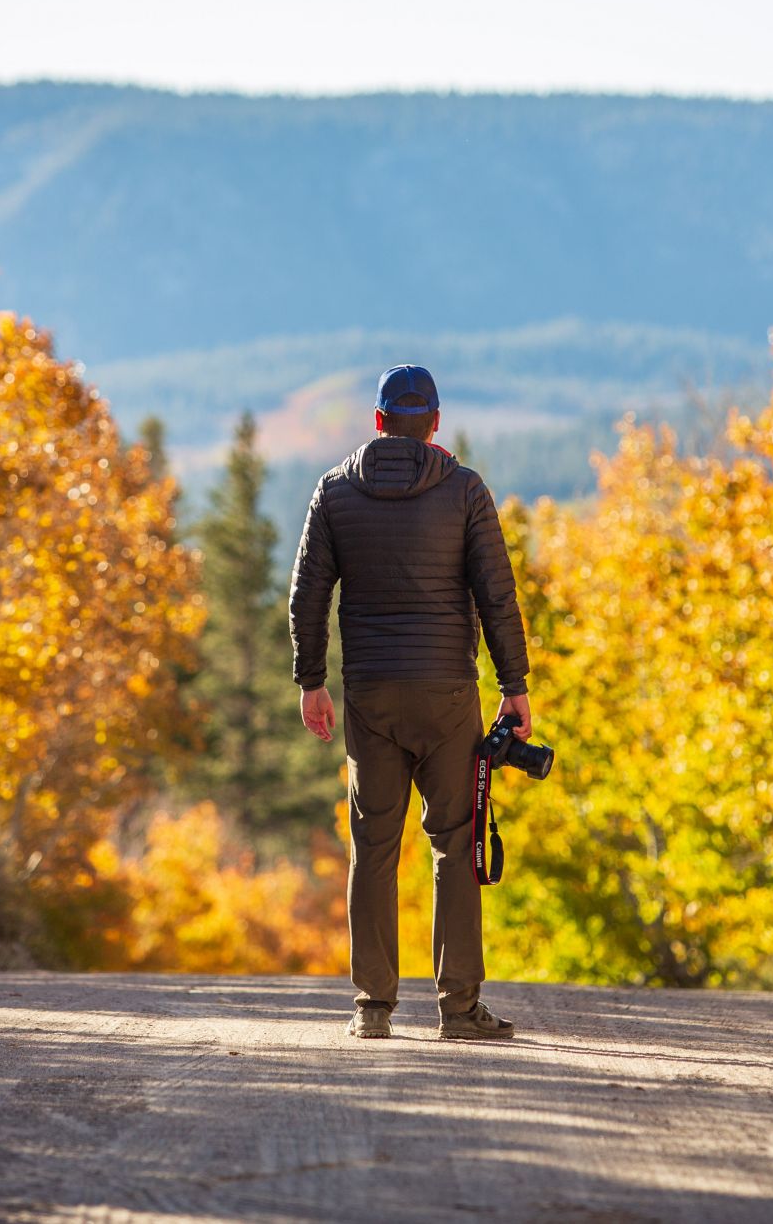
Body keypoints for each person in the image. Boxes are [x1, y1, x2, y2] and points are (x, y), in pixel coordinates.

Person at [288, 364, 532, 1041]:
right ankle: (459, 1008)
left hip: (371, 693)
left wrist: (311, 679)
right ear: (435, 421)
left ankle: (372, 1006)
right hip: (449, 695)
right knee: (454, 845)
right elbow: (498, 596)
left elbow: (308, 595)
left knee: (374, 846)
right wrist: (515, 686)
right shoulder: (463, 490)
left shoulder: (336, 490)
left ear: (377, 421)